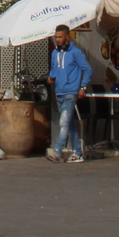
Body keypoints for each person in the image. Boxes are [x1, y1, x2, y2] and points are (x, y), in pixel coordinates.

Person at [47, 24, 91, 163]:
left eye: (60, 37)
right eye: (56, 37)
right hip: (59, 92)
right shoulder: (55, 53)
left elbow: (87, 69)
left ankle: (57, 151)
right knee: (69, 123)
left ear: (67, 37)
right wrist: (51, 77)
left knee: (64, 122)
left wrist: (82, 87)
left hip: (71, 92)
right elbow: (54, 69)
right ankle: (77, 152)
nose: (58, 39)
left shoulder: (76, 52)